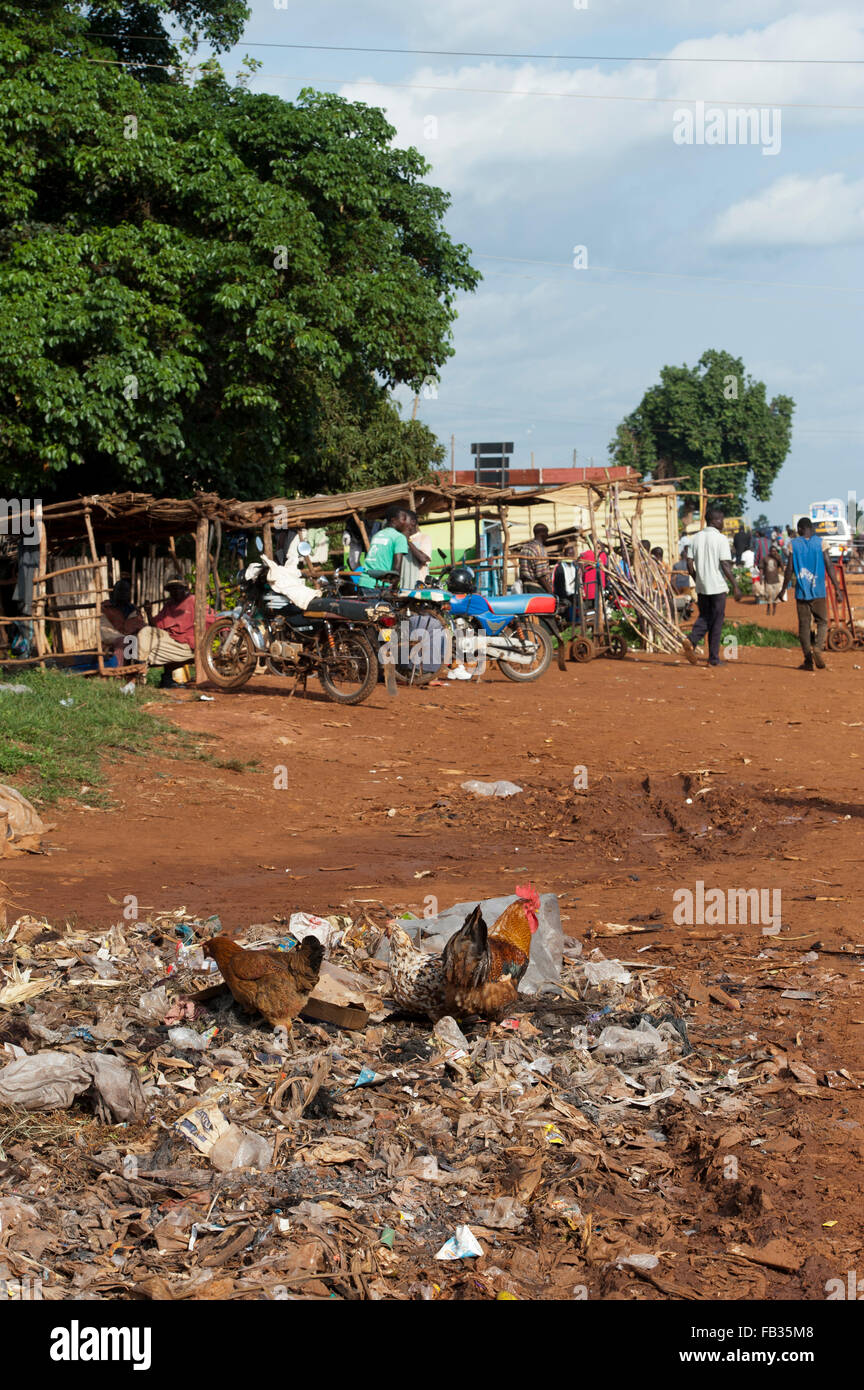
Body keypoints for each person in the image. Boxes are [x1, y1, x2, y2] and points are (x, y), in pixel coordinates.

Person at [777, 516, 839, 671]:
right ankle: (818, 648)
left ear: (799, 529)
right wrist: (837, 588)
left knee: (804, 626)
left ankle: (808, 661)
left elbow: (789, 569)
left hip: (801, 593)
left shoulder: (793, 545)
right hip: (819, 591)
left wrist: (783, 589)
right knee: (822, 621)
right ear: (811, 528)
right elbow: (829, 565)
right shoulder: (821, 543)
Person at [686, 507, 741, 667]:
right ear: (713, 521)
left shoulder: (695, 538)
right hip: (717, 587)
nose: (722, 522)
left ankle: (692, 640)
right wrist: (735, 585)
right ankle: (713, 658)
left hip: (702, 587)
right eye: (721, 519)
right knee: (716, 621)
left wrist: (697, 579)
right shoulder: (721, 539)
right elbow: (724, 564)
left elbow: (689, 564)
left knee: (705, 616)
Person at [137, 580, 213, 687]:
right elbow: (156, 626)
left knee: (147, 640)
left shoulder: (193, 601)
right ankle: (141, 673)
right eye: (172, 589)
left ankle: (142, 673)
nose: (175, 591)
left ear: (185, 590)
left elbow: (213, 618)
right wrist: (149, 613)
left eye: (178, 588)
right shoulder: (169, 605)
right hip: (173, 643)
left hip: (189, 646)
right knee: (146, 634)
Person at [355, 505, 410, 590]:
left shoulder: (377, 535)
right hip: (380, 585)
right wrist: (393, 589)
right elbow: (397, 569)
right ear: (393, 520)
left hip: (364, 581)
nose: (406, 522)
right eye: (403, 519)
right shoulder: (399, 537)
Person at [100, 578, 145, 664]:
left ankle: (138, 671)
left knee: (141, 642)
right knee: (123, 642)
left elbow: (141, 626)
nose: (123, 593)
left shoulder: (134, 610)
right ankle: (119, 673)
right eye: (120, 590)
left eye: (126, 591)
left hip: (132, 641)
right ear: (113, 592)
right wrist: (125, 638)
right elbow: (105, 631)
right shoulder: (106, 608)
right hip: (113, 643)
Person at [400, 511, 433, 591]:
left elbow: (423, 559)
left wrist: (408, 541)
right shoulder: (400, 540)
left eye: (404, 520)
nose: (401, 522)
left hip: (419, 588)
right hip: (404, 588)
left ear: (413, 522)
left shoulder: (424, 538)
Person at [519, 524, 553, 593]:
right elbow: (541, 575)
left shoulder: (525, 548)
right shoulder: (540, 549)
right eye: (547, 533)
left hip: (526, 586)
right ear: (542, 533)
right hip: (537, 587)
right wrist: (550, 591)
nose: (547, 535)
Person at [760, 544, 784, 616]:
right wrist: (761, 578)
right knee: (768, 596)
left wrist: (779, 559)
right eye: (772, 551)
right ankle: (768, 608)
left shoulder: (777, 558)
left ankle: (774, 610)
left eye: (775, 551)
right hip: (768, 581)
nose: (774, 552)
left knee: (775, 597)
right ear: (769, 551)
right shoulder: (765, 558)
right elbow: (761, 568)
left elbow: (782, 567)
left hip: (776, 580)